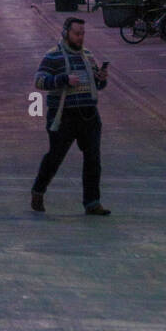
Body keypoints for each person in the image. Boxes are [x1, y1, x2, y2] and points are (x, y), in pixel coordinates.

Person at [30, 15, 110, 216]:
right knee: (55, 157)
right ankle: (38, 190)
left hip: (89, 115)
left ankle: (92, 202)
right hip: (63, 116)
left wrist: (101, 79)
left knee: (93, 159)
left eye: (83, 34)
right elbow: (39, 81)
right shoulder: (53, 56)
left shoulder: (88, 56)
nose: (80, 37)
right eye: (77, 33)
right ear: (66, 33)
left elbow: (96, 85)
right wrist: (63, 79)